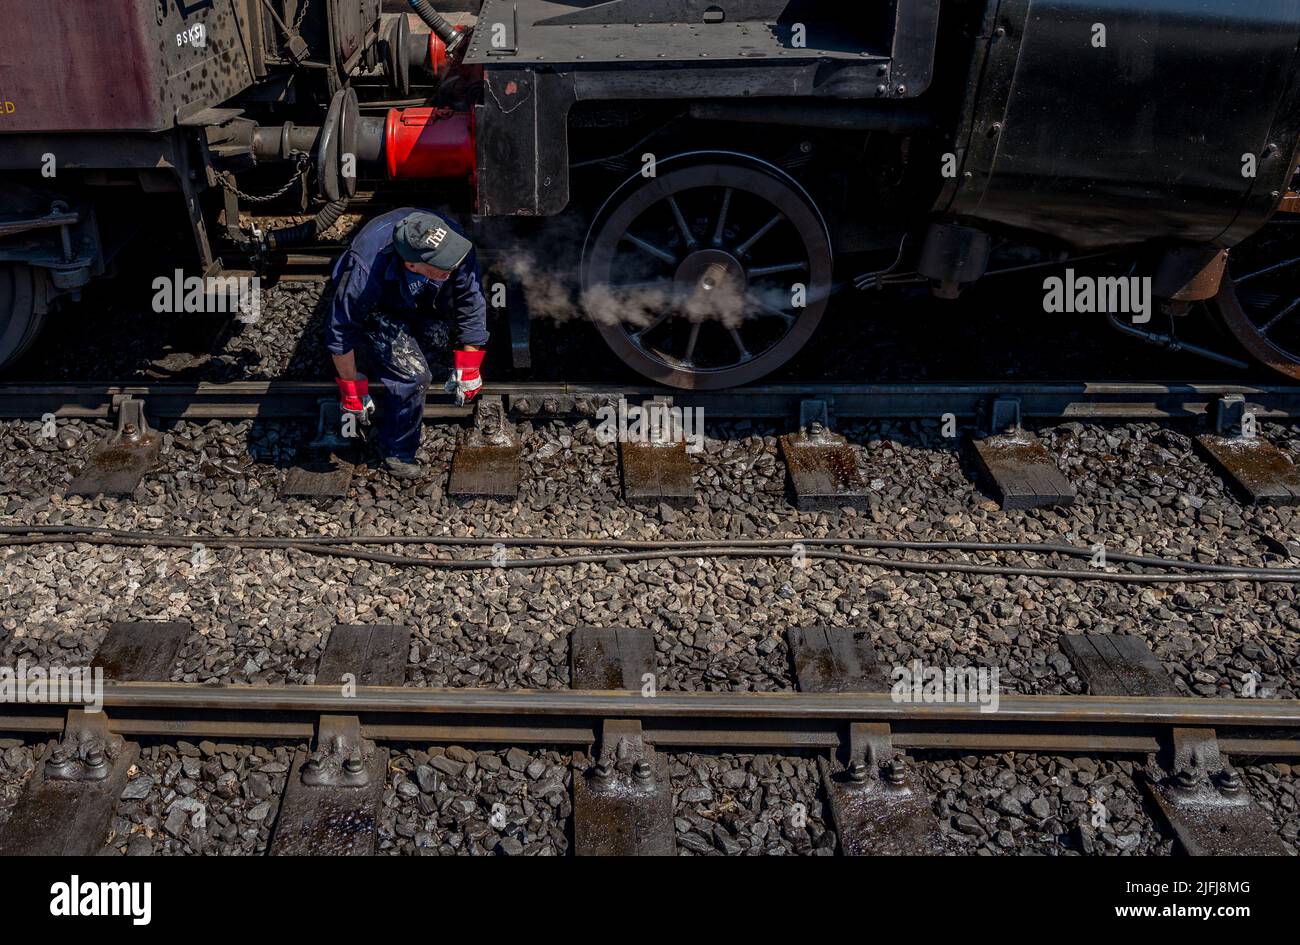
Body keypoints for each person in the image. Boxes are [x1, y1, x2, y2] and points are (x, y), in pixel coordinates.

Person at [325, 208, 488, 478]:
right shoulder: (364, 269)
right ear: (412, 265)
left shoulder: (453, 244)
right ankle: (398, 450)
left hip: (421, 297)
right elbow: (340, 329)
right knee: (414, 375)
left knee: (439, 338)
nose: (454, 265)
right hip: (379, 307)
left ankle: (400, 355)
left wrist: (470, 365)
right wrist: (351, 386)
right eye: (443, 265)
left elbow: (471, 300)